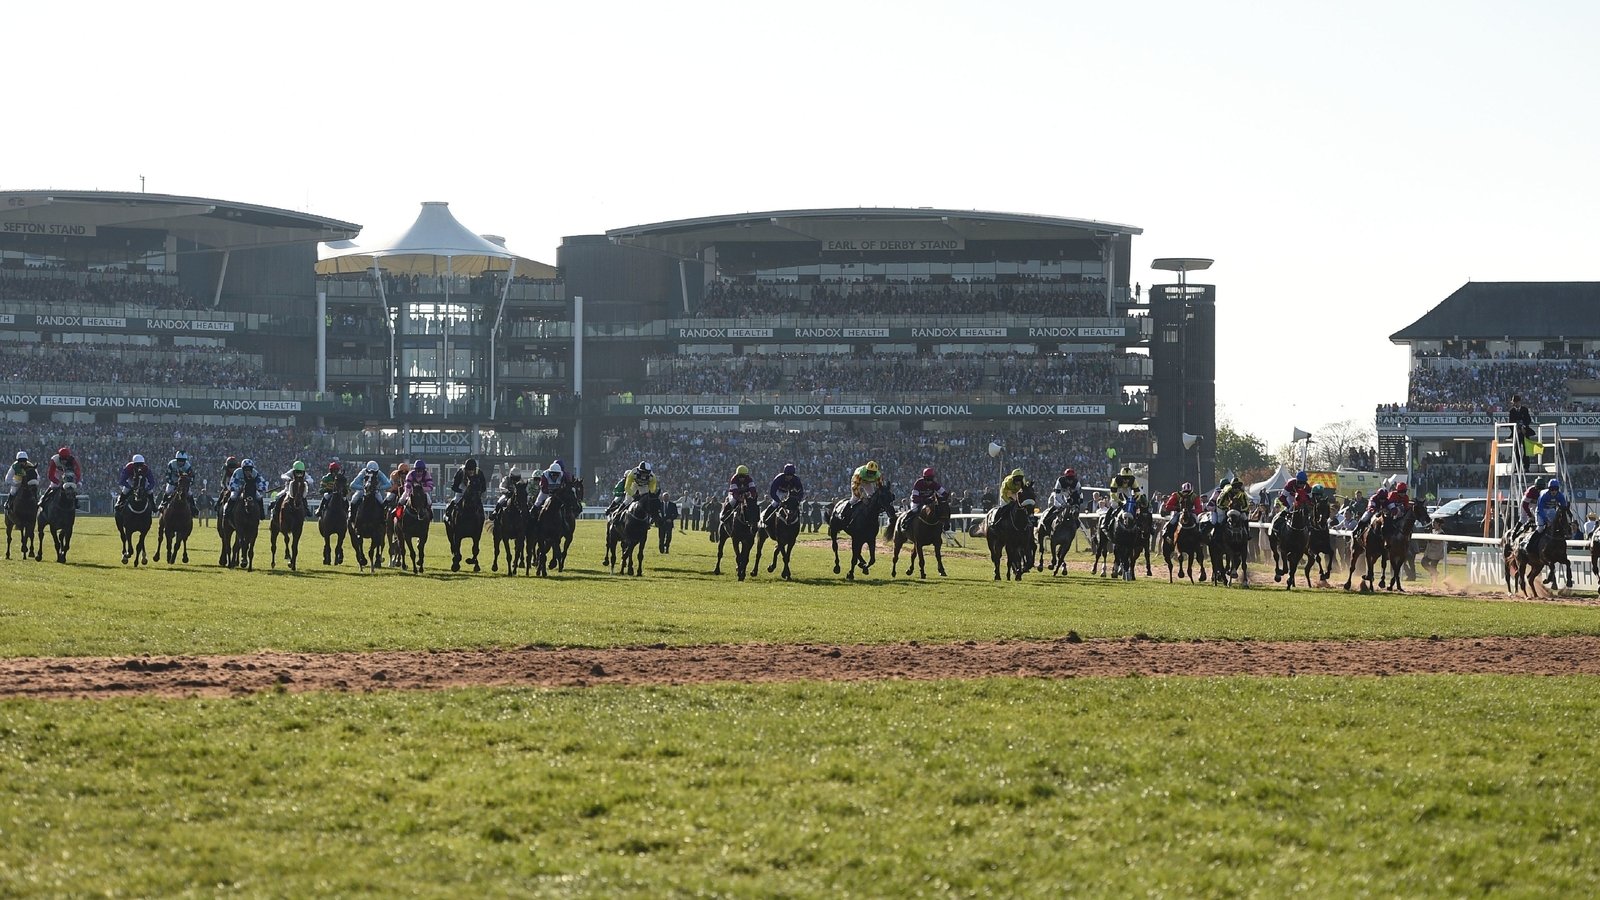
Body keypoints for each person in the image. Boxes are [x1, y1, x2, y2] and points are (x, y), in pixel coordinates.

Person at [1528, 478, 1569, 556]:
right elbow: (1540, 509)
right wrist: (1546, 521)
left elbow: (1563, 508)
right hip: (1541, 511)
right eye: (1552, 489)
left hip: (1551, 510)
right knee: (1541, 528)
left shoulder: (1560, 496)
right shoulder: (1544, 495)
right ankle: (1530, 544)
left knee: (1557, 525)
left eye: (1556, 489)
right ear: (1549, 489)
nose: (1554, 491)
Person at [41, 446, 83, 516]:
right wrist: (57, 481)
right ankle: (43, 500)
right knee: (53, 486)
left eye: (65, 459)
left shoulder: (73, 460)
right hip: (57, 473)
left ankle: (76, 501)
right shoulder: (54, 460)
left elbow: (78, 473)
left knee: (72, 488)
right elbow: (50, 474)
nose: (64, 461)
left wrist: (75, 482)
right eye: (62, 459)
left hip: (68, 475)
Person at [762, 463, 805, 530]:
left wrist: (798, 500)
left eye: (791, 475)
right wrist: (779, 501)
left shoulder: (796, 479)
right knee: (775, 504)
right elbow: (772, 492)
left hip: (790, 493)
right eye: (787, 475)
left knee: (795, 506)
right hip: (779, 492)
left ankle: (798, 522)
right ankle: (766, 517)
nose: (789, 477)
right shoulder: (778, 478)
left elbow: (801, 492)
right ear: (784, 474)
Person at [1040, 467, 1082, 533]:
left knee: (1076, 517)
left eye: (1071, 478)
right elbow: (1057, 496)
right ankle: (1046, 520)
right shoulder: (1060, 481)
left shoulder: (1076, 483)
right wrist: (1062, 504)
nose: (1070, 480)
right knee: (1056, 507)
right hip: (1058, 496)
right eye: (1068, 478)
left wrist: (1076, 504)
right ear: (1065, 477)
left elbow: (1079, 495)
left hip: (1069, 496)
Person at [158, 451, 197, 515]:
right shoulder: (171, 464)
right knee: (168, 491)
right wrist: (172, 482)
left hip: (183, 483)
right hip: (173, 482)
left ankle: (193, 507)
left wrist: (188, 484)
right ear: (176, 459)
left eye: (183, 460)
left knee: (190, 493)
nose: (181, 462)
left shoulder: (188, 466)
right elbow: (167, 475)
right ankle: (163, 504)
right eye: (179, 460)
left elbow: (192, 476)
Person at [722, 464, 758, 530]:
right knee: (733, 501)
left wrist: (752, 496)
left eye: (743, 476)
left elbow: (753, 489)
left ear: (746, 475)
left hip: (745, 494)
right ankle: (724, 515)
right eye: (740, 476)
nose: (742, 478)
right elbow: (735, 492)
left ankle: (755, 519)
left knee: (752, 504)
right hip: (734, 494)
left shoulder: (749, 479)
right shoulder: (734, 479)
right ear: (737, 475)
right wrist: (739, 498)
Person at [1508, 394, 1535, 471]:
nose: (1514, 404)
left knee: (1527, 449)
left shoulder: (1524, 409)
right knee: (1517, 450)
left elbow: (1528, 420)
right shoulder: (1512, 411)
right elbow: (1511, 422)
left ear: (1519, 402)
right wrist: (1517, 429)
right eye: (1514, 402)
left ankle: (1526, 467)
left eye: (1516, 402)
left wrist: (1524, 427)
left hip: (1525, 432)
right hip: (1517, 433)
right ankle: (1517, 467)